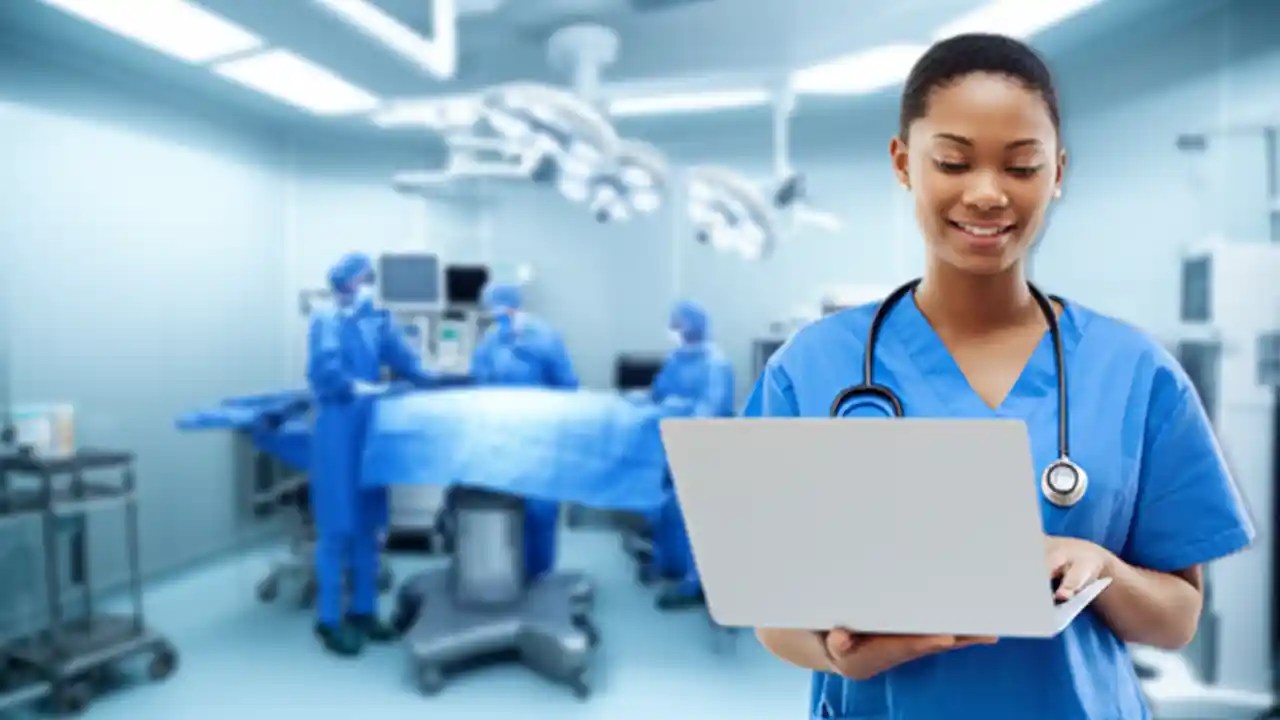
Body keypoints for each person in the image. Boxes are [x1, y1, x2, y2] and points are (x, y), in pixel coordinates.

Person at [746, 33, 1255, 719]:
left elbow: (1175, 620)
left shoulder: (1134, 373)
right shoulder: (811, 369)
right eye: (953, 162)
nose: (986, 194)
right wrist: (834, 649)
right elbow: (775, 616)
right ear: (903, 164)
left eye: (1021, 167)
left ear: (1058, 172)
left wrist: (1101, 568)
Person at [306, 252, 441, 657]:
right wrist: (356, 388)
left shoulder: (376, 319)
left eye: (369, 278)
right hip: (337, 429)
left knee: (369, 527)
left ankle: (364, 610)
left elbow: (405, 359)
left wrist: (441, 382)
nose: (366, 285)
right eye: (361, 278)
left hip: (369, 430)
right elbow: (325, 372)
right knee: (336, 528)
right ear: (342, 281)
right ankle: (329, 620)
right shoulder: (325, 319)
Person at [471, 282, 579, 582]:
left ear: (514, 307)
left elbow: (568, 385)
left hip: (540, 435)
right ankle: (506, 573)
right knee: (502, 507)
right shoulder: (491, 339)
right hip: (501, 435)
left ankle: (540, 576)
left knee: (540, 510)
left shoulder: (544, 338)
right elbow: (479, 380)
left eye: (499, 309)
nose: (495, 316)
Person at [647, 300, 735, 610]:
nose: (675, 330)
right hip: (673, 443)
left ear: (696, 325)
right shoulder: (677, 358)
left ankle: (696, 583)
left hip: (702, 449)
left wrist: (680, 416)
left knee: (696, 518)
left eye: (679, 324)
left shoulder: (715, 364)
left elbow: (709, 410)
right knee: (667, 510)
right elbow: (658, 393)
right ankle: (670, 566)